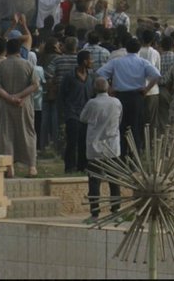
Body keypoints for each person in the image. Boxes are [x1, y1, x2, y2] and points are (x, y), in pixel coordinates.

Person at [96, 37, 161, 155]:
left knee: (120, 126)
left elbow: (101, 73)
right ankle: (134, 155)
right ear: (138, 49)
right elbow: (156, 75)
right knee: (136, 127)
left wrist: (110, 88)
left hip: (120, 96)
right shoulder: (143, 62)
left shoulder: (117, 61)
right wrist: (146, 89)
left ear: (126, 48)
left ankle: (121, 154)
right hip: (137, 97)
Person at [0, 38, 39, 178]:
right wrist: (19, 96)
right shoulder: (28, 65)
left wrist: (10, 97)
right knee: (28, 133)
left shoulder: (1, 65)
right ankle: (32, 167)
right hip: (24, 104)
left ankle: (9, 167)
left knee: (6, 134)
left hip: (6, 105)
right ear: (19, 50)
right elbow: (35, 84)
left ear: (7, 50)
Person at [79, 77, 122, 223]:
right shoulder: (116, 102)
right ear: (108, 87)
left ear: (94, 88)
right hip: (112, 148)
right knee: (114, 181)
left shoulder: (92, 103)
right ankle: (116, 211)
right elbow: (119, 119)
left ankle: (95, 213)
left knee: (94, 182)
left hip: (94, 148)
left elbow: (83, 118)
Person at [59, 50, 94, 173]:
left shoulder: (91, 76)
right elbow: (62, 94)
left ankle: (83, 166)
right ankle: (70, 167)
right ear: (85, 61)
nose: (92, 62)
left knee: (84, 141)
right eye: (90, 59)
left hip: (86, 114)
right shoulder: (70, 76)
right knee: (72, 141)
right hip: (72, 113)